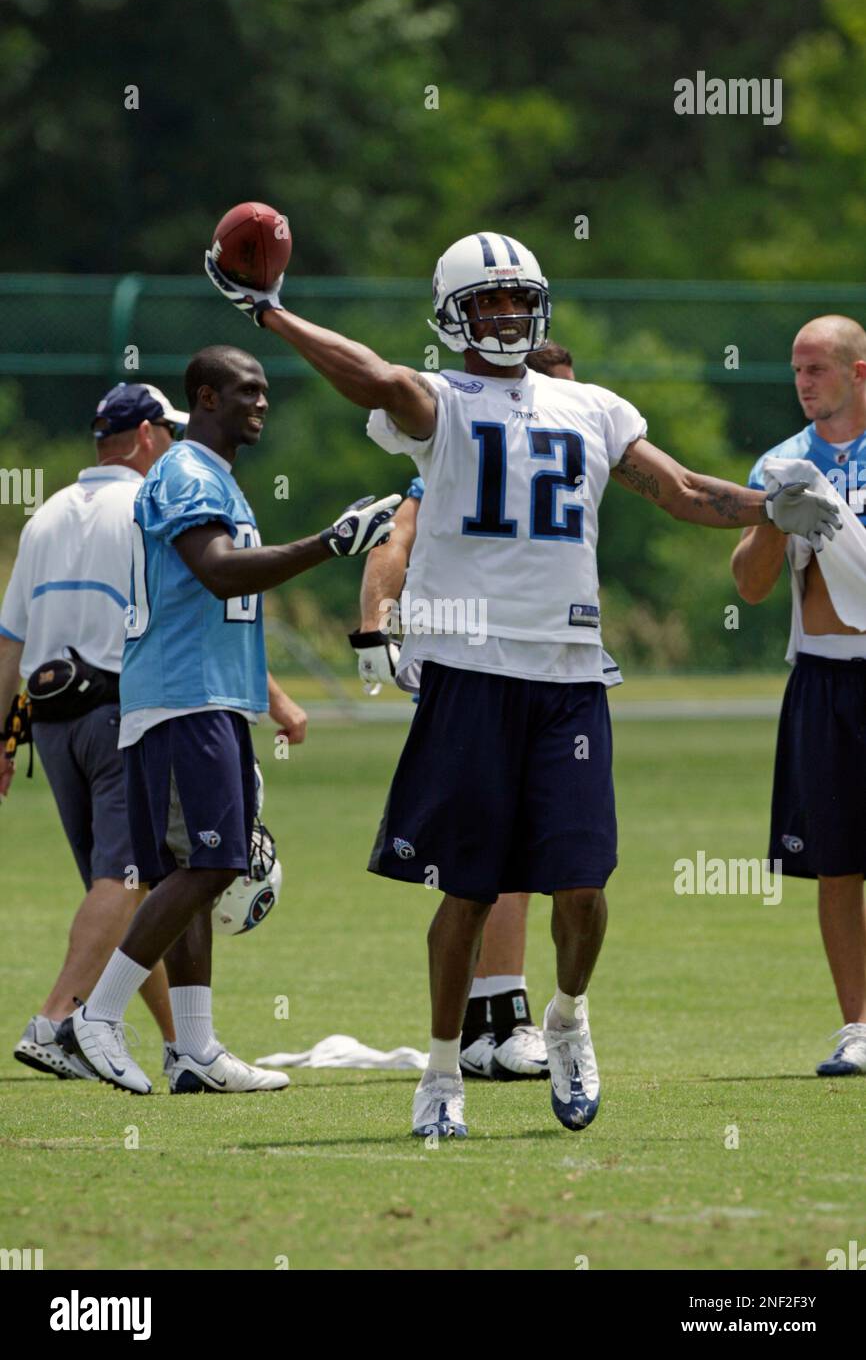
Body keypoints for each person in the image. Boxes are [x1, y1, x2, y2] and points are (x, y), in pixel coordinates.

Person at [205, 230, 839, 1138]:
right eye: (486, 302)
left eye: (514, 300)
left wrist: (768, 506)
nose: (503, 316)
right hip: (472, 676)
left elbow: (682, 491)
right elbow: (374, 378)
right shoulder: (443, 401)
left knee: (583, 886)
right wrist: (269, 313)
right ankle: (438, 1073)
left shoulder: (591, 405)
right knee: (466, 890)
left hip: (571, 675)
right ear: (453, 315)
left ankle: (569, 1018)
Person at [58, 345, 399, 1095]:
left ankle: (194, 1051)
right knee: (211, 864)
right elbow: (216, 570)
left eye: (266, 391)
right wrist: (327, 544)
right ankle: (96, 1017)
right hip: (183, 695)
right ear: (205, 397)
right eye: (247, 390)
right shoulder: (184, 471)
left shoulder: (217, 479)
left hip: (208, 696)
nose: (262, 403)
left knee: (196, 872)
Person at [347, 342, 591, 1082]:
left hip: (537, 662)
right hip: (475, 663)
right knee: (495, 849)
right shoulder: (473, 439)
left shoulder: (571, 435)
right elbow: (399, 534)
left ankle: (492, 1016)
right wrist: (373, 625)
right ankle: (503, 1016)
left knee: (497, 850)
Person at [0, 383, 184, 1080]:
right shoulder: (148, 505)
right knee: (126, 879)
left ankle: (180, 1046)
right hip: (118, 717)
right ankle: (54, 1023)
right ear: (144, 438)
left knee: (123, 891)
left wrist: (1, 737)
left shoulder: (43, 515)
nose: (173, 446)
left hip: (51, 728)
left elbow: (7, 643)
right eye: (169, 432)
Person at [731, 314, 866, 1076]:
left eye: (818, 369)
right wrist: (774, 522)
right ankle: (858, 1024)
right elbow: (749, 588)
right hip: (823, 674)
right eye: (796, 370)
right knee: (837, 860)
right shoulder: (780, 462)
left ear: (859, 372)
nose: (804, 383)